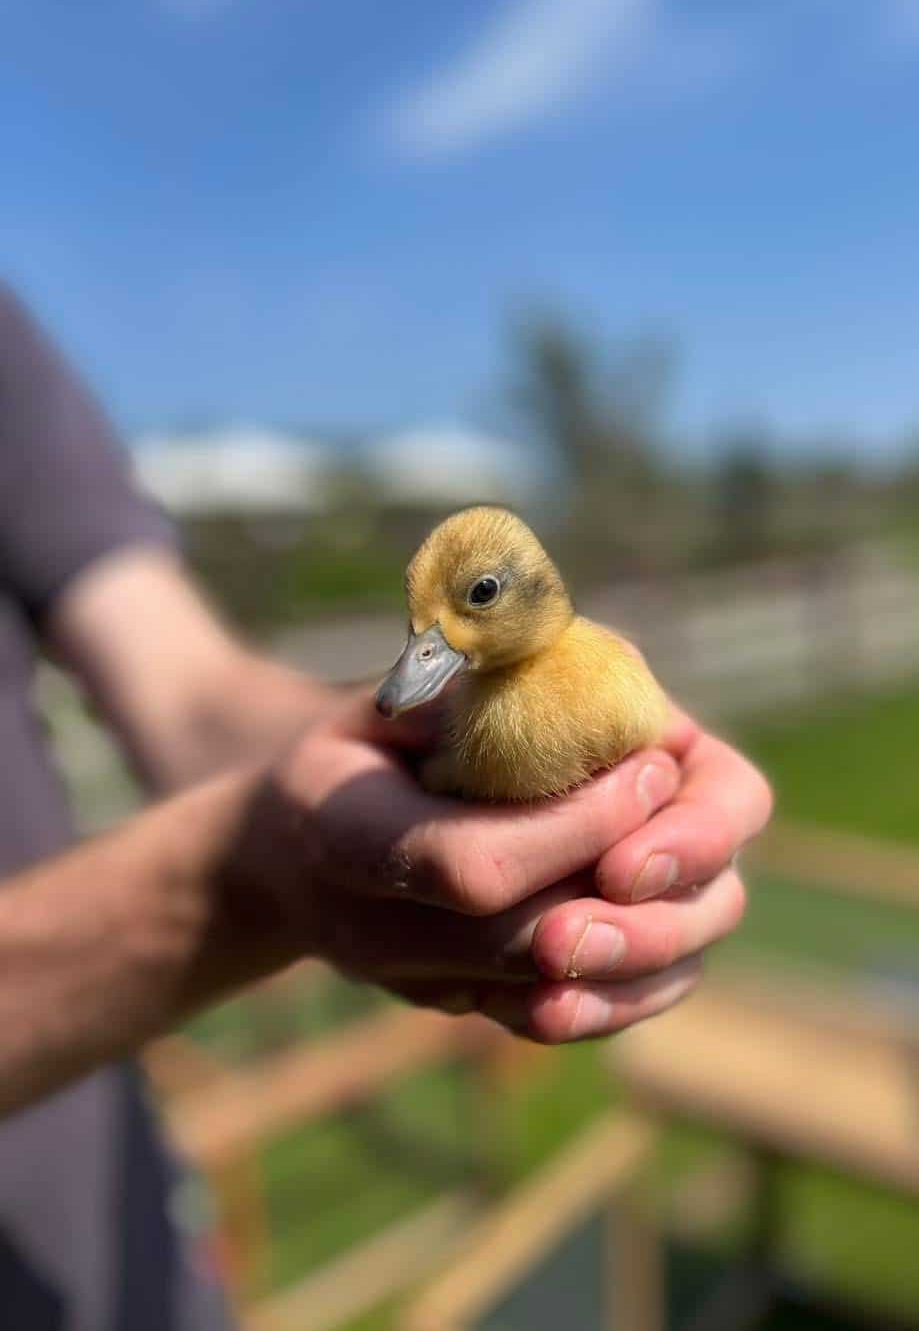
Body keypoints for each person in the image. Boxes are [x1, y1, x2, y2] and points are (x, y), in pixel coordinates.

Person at [0, 281, 772, 1330]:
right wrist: (239, 879)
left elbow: (182, 693)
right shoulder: (482, 703)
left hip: (130, 1253)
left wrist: (345, 757)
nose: (427, 654)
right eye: (434, 624)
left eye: (472, 607)